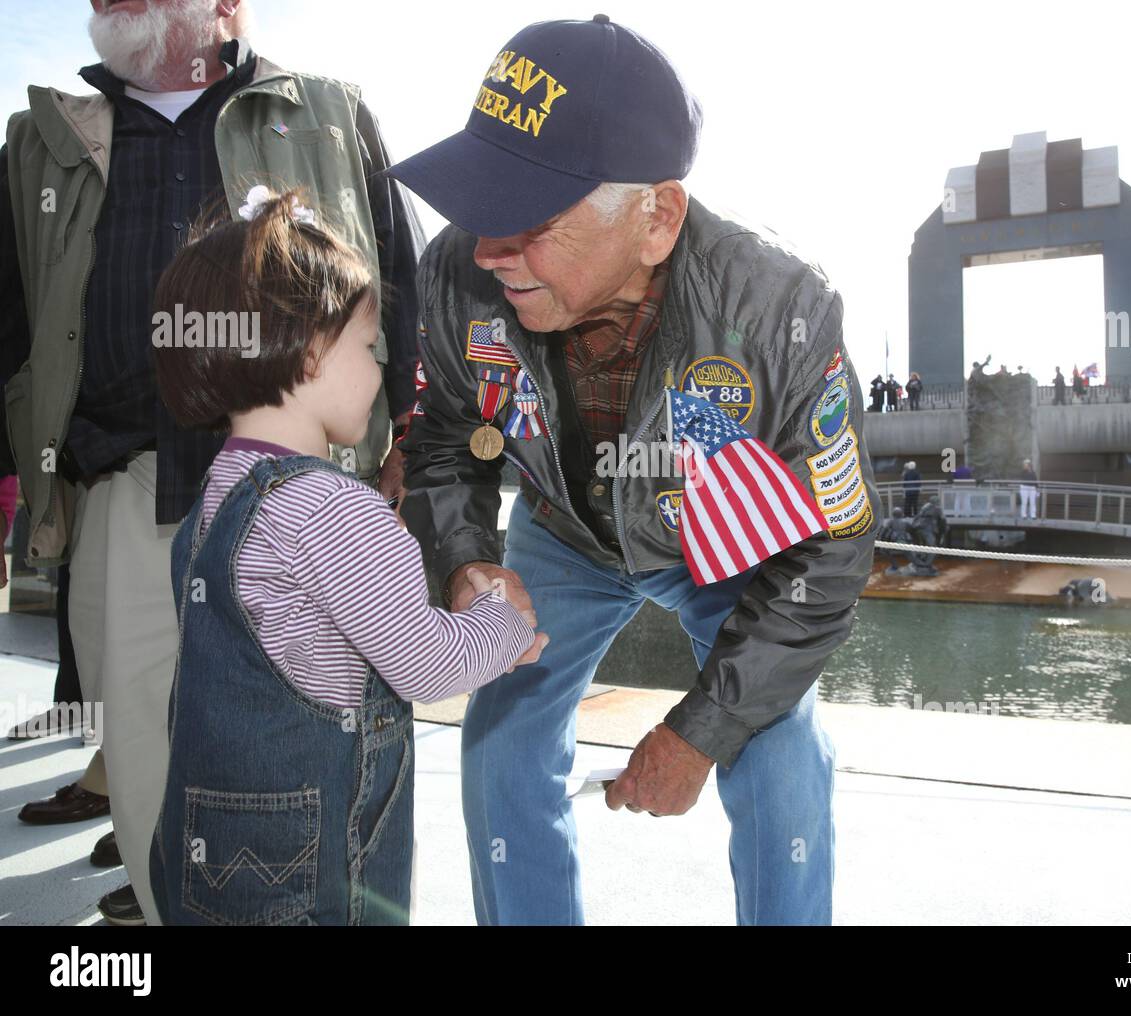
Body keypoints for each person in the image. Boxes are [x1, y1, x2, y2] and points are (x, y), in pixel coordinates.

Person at [392, 16, 879, 925]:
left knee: (778, 752)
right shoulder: (455, 273)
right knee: (499, 742)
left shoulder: (783, 311)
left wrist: (697, 735)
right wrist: (463, 557)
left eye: (529, 217)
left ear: (655, 218)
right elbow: (447, 435)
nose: (489, 250)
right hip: (562, 529)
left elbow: (834, 551)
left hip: (716, 539)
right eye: (478, 202)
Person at [0, 0, 422, 926]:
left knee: (320, 757)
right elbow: (12, 321)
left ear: (226, 5)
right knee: (146, 762)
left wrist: (412, 457)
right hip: (119, 482)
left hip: (310, 497)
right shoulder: (36, 140)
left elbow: (402, 282)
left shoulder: (333, 112)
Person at [147, 189, 543, 925]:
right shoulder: (334, 509)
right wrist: (503, 623)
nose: (380, 366)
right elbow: (428, 666)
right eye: (367, 347)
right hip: (305, 868)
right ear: (308, 352)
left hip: (207, 851)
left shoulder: (218, 492)